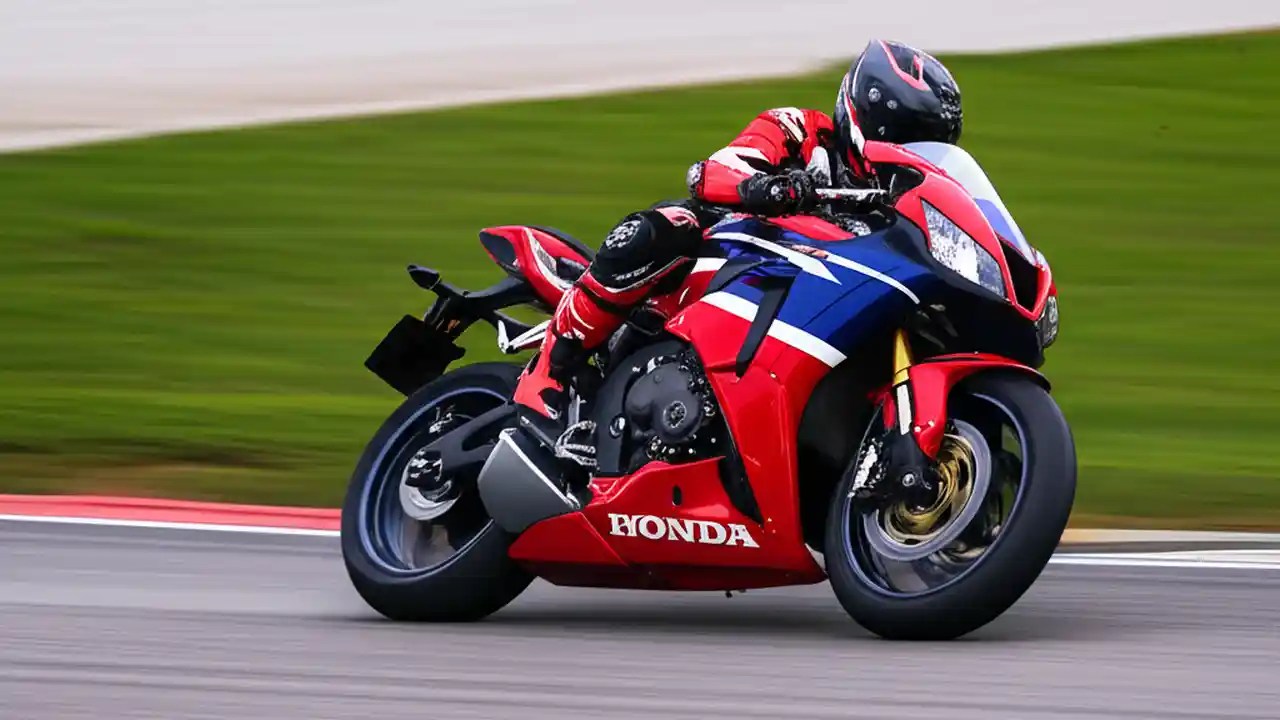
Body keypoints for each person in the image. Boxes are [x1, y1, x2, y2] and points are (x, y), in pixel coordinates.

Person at [514, 39, 964, 428]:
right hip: (729, 258)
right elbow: (714, 171)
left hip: (812, 300)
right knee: (665, 227)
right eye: (906, 136)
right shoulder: (801, 129)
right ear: (868, 115)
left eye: (929, 144)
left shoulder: (900, 197)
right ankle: (549, 370)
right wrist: (766, 187)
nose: (911, 151)